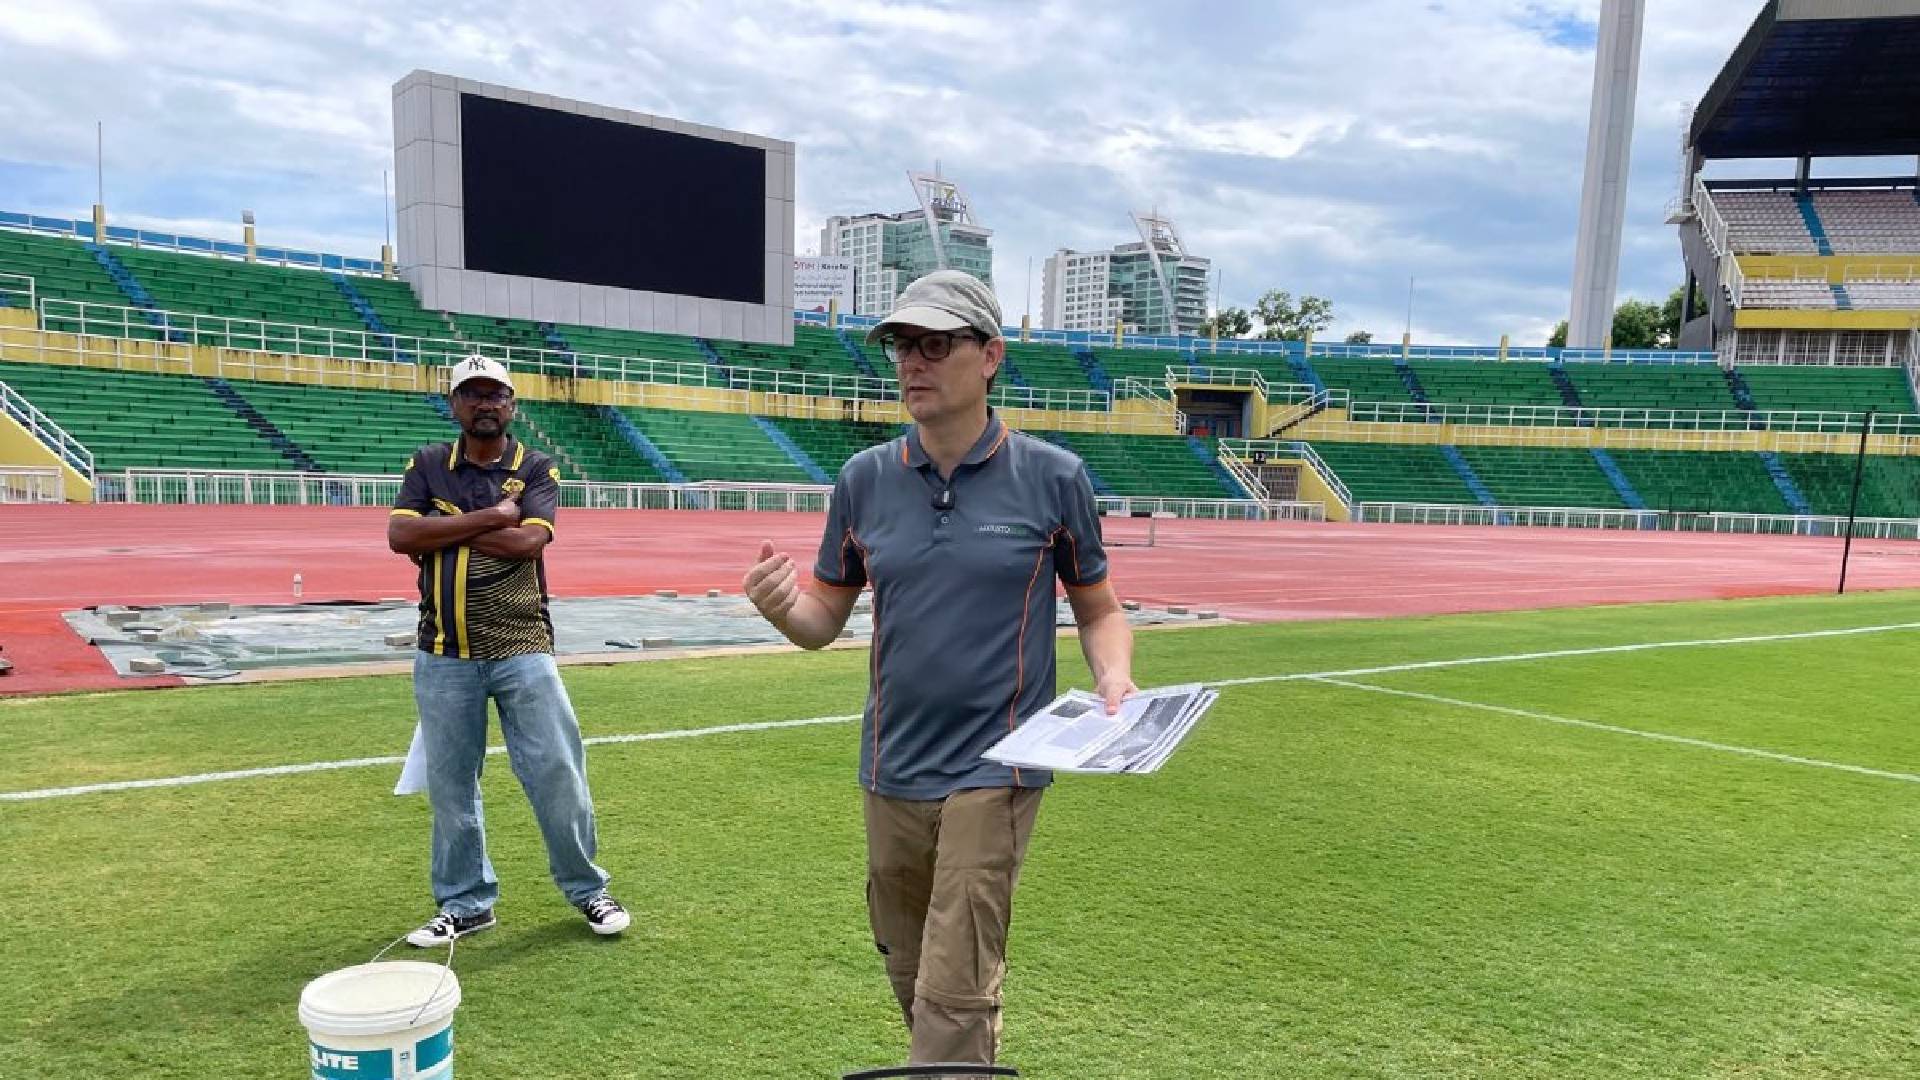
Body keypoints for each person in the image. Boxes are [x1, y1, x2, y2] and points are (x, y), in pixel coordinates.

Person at [741, 271, 1137, 1066]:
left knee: (954, 980)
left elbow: (1098, 608)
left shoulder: (1054, 477)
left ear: (989, 356)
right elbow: (824, 620)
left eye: (933, 345)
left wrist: (1113, 677)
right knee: (911, 962)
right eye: (899, 347)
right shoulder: (863, 481)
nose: (910, 364)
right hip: (891, 764)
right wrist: (783, 608)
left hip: (1002, 764)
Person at [388, 354, 629, 946]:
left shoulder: (536, 466)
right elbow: (400, 535)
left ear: (512, 405)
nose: (485, 403)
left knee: (556, 771)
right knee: (451, 785)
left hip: (522, 644)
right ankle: (466, 903)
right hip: (443, 650)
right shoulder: (426, 464)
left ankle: (588, 888)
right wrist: (492, 514)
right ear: (454, 405)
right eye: (472, 394)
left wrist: (447, 524)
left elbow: (526, 544)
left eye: (496, 394)